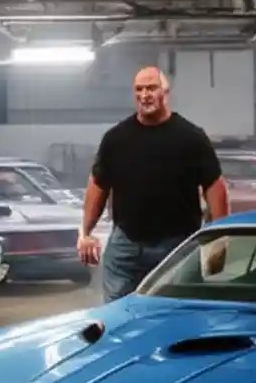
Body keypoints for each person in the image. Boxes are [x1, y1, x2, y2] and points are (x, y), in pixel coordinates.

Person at [77, 66, 230, 302]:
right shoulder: (116, 138)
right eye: (139, 89)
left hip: (176, 245)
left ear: (165, 92)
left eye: (151, 88)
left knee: (174, 310)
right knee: (118, 314)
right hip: (126, 244)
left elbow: (215, 187)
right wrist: (85, 232)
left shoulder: (191, 137)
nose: (145, 95)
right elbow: (99, 184)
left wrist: (218, 239)